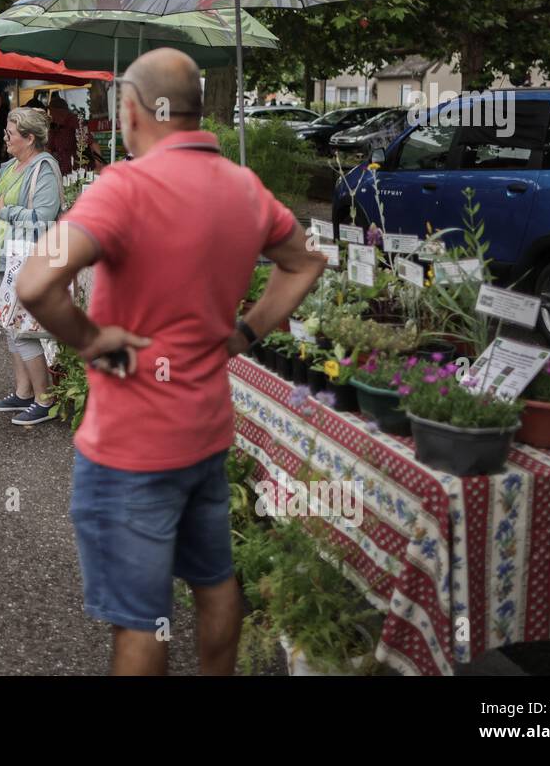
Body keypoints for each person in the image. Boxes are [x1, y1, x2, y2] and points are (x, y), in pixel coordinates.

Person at [17, 48, 326, 675]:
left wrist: (91, 339)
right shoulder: (243, 186)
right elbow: (305, 261)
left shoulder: (126, 188)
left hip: (131, 446)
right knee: (214, 583)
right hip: (206, 431)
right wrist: (246, 330)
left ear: (132, 111)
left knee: (141, 617)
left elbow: (35, 284)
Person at [0, 107, 62, 425]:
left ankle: (45, 399)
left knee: (25, 330)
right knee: (12, 325)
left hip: (32, 257)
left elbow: (42, 219)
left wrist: (5, 211)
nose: (4, 138)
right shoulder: (10, 166)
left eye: (10, 134)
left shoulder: (44, 168)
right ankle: (23, 392)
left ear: (29, 138)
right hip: (8, 255)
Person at [46, 94, 104, 175]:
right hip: (62, 172)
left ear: (61, 112)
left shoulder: (75, 122)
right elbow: (49, 149)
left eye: (52, 112)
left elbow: (92, 143)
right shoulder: (54, 127)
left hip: (79, 171)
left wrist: (98, 164)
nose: (51, 115)